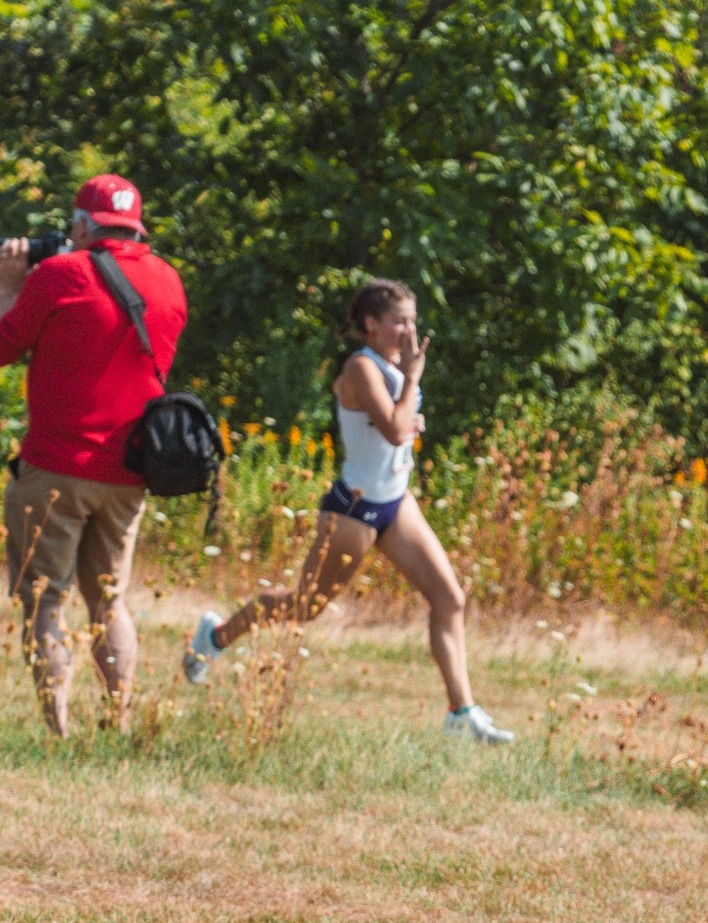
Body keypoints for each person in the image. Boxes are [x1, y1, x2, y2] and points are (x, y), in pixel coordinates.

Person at [181, 278, 513, 744]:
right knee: (305, 606)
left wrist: (410, 415)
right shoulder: (361, 366)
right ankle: (215, 637)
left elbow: (396, 427)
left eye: (413, 321)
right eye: (400, 321)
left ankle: (461, 713)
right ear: (371, 324)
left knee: (449, 599)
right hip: (354, 510)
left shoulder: (393, 367)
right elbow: (394, 430)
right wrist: (412, 385)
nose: (410, 331)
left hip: (395, 502)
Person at [0, 174, 188, 735]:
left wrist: (9, 285)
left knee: (46, 600)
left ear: (82, 225)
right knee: (110, 600)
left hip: (56, 467)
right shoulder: (169, 281)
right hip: (129, 473)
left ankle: (58, 728)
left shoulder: (61, 274)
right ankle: (118, 720)